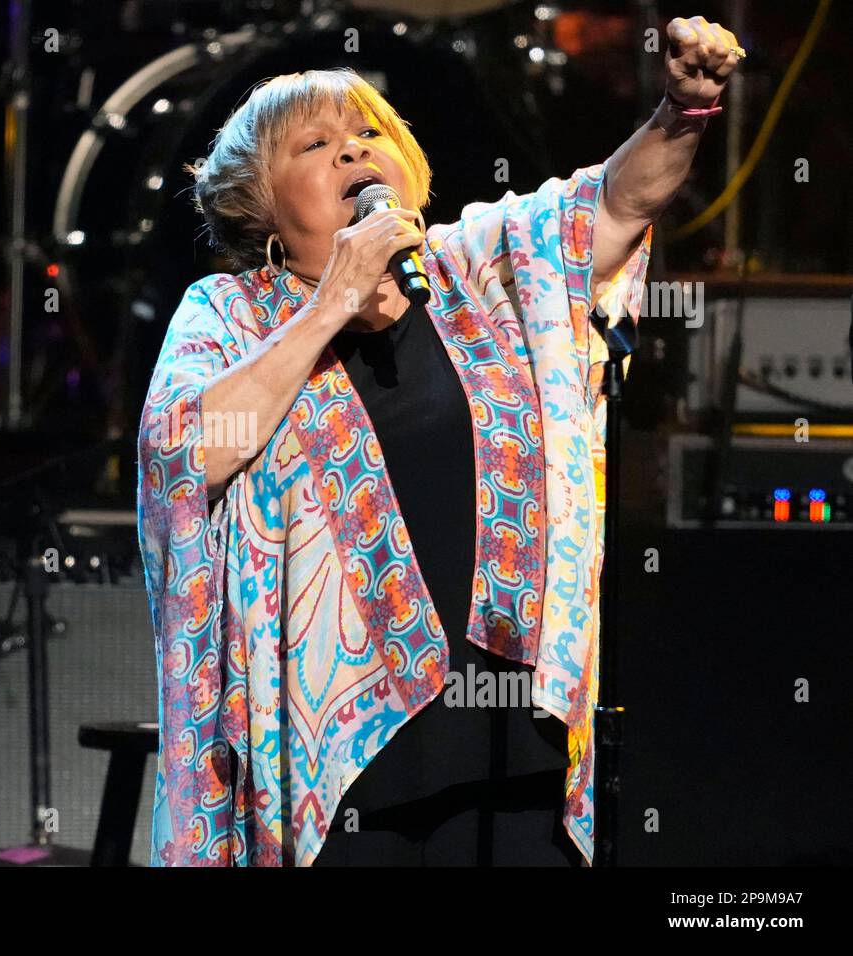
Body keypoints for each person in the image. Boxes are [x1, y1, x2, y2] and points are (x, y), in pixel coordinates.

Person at [136, 16, 743, 866]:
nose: (354, 153)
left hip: (513, 751)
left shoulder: (476, 272)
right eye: (316, 144)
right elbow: (183, 456)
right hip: (346, 786)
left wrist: (682, 109)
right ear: (259, 205)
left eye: (369, 134)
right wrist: (331, 302)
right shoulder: (230, 316)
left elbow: (615, 203)